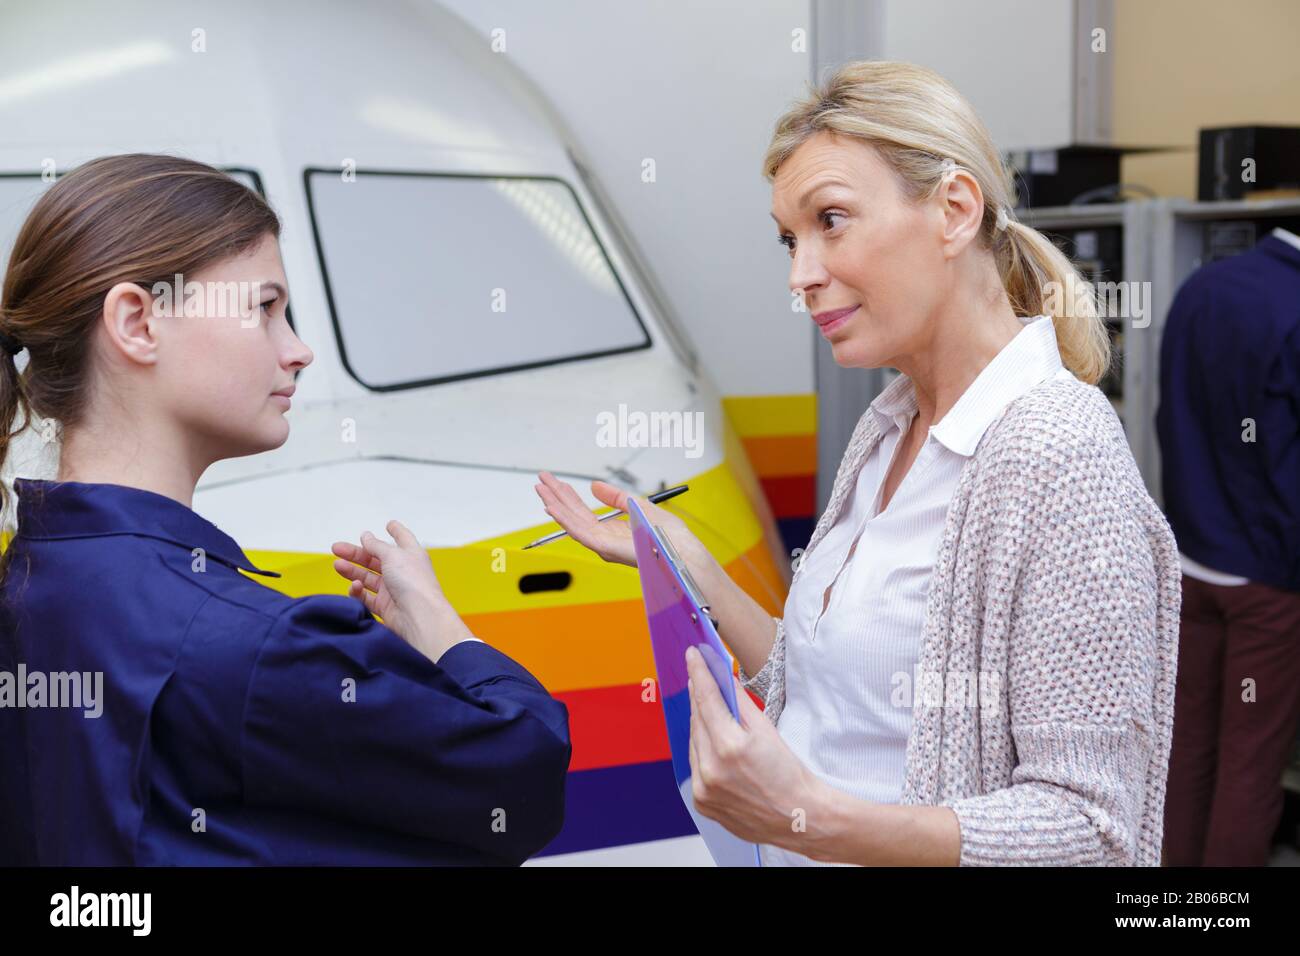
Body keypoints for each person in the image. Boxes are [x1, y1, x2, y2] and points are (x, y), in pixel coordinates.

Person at [535, 60, 1181, 866]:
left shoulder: (1057, 456)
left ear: (953, 211)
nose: (801, 276)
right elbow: (830, 694)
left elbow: (1091, 831)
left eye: (830, 220)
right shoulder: (889, 426)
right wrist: (685, 563)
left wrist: (807, 817)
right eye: (789, 239)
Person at [0, 154, 570, 865]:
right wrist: (441, 627)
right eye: (264, 309)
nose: (298, 351)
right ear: (137, 323)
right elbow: (521, 779)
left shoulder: (32, 582)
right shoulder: (259, 645)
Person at [1157, 226, 1300, 866]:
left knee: (1188, 747)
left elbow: (1171, 417)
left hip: (1191, 561)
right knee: (1251, 761)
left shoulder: (1201, 286)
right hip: (1268, 579)